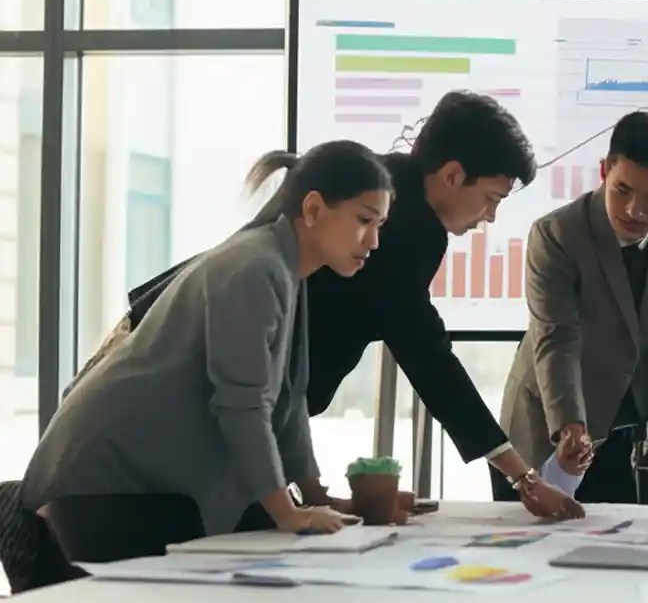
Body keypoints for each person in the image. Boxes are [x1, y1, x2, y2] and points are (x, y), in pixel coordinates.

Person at [104, 92, 584, 521]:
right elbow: (428, 356)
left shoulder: (384, 183)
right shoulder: (405, 224)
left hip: (157, 344)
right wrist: (523, 477)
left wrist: (313, 496)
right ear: (454, 175)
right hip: (168, 375)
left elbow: (286, 389)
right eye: (490, 199)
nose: (490, 217)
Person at [22, 140, 393, 562]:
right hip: (105, 481)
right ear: (312, 210)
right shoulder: (256, 268)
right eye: (365, 220)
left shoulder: (286, 269)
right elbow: (242, 404)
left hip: (138, 483)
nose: (375, 241)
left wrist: (316, 497)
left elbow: (289, 403)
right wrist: (288, 513)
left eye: (380, 224)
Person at [495, 111, 648, 503]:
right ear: (605, 170)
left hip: (629, 435)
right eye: (623, 190)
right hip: (547, 429)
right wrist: (569, 426)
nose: (636, 210)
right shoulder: (556, 233)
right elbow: (557, 337)